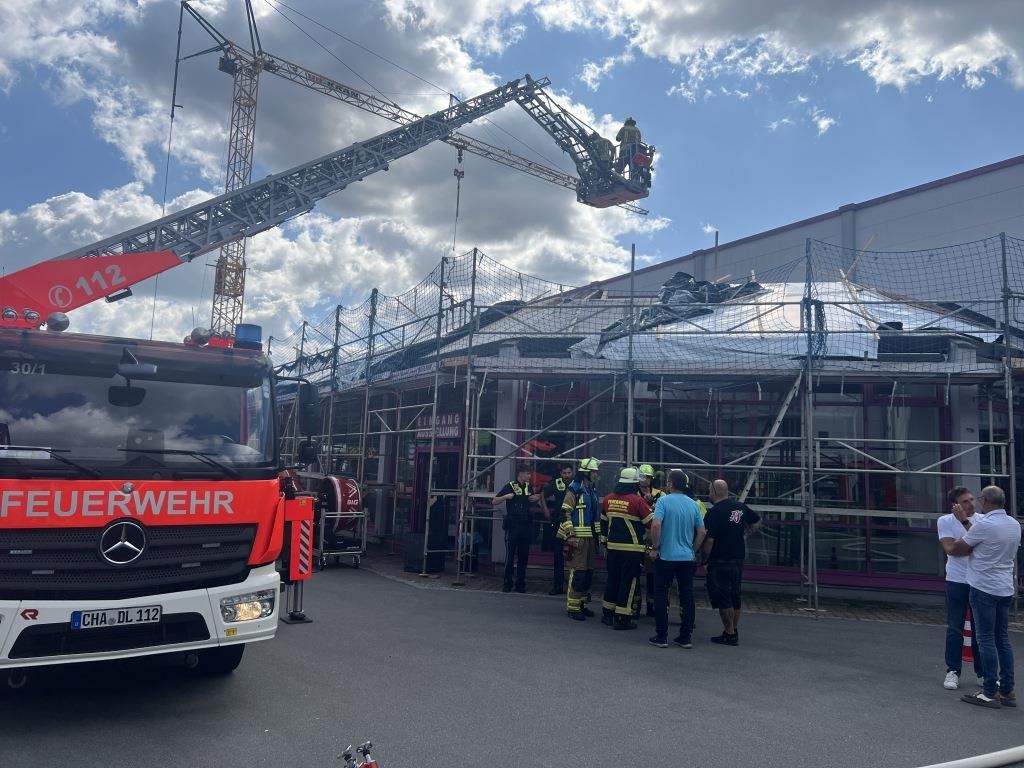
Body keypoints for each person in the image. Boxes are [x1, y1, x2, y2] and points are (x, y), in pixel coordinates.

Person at [950, 485, 1021, 708]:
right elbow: (980, 537)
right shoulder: (1014, 524)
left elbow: (959, 549)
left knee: (986, 639)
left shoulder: (985, 525)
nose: (978, 502)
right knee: (1002, 639)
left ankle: (990, 691)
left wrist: (962, 522)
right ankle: (1007, 689)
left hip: (983, 587)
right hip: (1004, 587)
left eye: (980, 498)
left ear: (987, 501)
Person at [648, 469, 706, 649]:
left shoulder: (663, 501)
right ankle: (685, 637)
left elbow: (656, 524)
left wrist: (655, 547)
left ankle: (662, 636)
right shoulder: (694, 504)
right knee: (687, 596)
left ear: (671, 484)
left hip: (666, 556)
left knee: (661, 594)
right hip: (686, 558)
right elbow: (702, 531)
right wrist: (692, 549)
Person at [702, 479, 761, 646]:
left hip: (719, 560)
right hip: (737, 559)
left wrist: (704, 559)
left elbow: (709, 541)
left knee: (723, 598)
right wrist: (746, 534)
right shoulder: (740, 508)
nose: (708, 494)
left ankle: (729, 633)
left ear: (714, 491)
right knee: (735, 595)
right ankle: (733, 630)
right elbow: (757, 521)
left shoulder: (714, 513)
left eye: (709, 490)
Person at [937, 485, 983, 690]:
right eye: (965, 501)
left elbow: (980, 547)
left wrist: (965, 534)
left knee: (979, 629)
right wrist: (970, 545)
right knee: (955, 627)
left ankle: (983, 673)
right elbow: (951, 549)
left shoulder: (982, 520)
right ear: (955, 505)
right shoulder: (945, 521)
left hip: (978, 581)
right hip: (956, 580)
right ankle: (952, 671)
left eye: (972, 499)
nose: (971, 504)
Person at [599, 467, 653, 630]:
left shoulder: (608, 499)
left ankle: (607, 613)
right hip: (632, 549)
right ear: (633, 484)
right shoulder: (637, 501)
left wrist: (604, 543)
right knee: (628, 582)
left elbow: (603, 523)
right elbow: (650, 523)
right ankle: (622, 618)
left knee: (613, 579)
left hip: (612, 547)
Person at [557, 457, 601, 620]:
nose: (596, 474)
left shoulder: (590, 489)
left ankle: (582, 604)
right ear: (586, 473)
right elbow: (565, 513)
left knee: (588, 573)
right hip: (578, 538)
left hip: (589, 538)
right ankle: (573, 608)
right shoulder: (574, 489)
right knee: (578, 573)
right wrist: (570, 536)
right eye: (594, 471)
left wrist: (599, 538)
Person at [493, 464, 540, 593]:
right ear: (520, 474)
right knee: (510, 556)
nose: (529, 476)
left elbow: (532, 501)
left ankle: (520, 584)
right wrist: (505, 497)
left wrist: (536, 498)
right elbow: (494, 501)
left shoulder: (528, 487)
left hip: (526, 525)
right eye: (527, 474)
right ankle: (507, 583)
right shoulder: (510, 485)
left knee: (523, 556)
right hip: (513, 525)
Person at [540, 462, 575, 595]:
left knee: (575, 557)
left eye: (569, 473)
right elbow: (543, 495)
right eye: (564, 473)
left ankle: (574, 587)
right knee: (558, 555)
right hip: (558, 523)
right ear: (561, 474)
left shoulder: (576, 484)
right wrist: (546, 511)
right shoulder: (556, 483)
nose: (566, 475)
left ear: (572, 473)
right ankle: (558, 586)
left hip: (573, 524)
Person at [638, 464, 666, 617]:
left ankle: (651, 607)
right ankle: (634, 606)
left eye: (647, 477)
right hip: (636, 540)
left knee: (652, 577)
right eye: (642, 477)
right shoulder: (633, 493)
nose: (644, 480)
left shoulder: (660, 495)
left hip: (653, 540)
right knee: (634, 575)